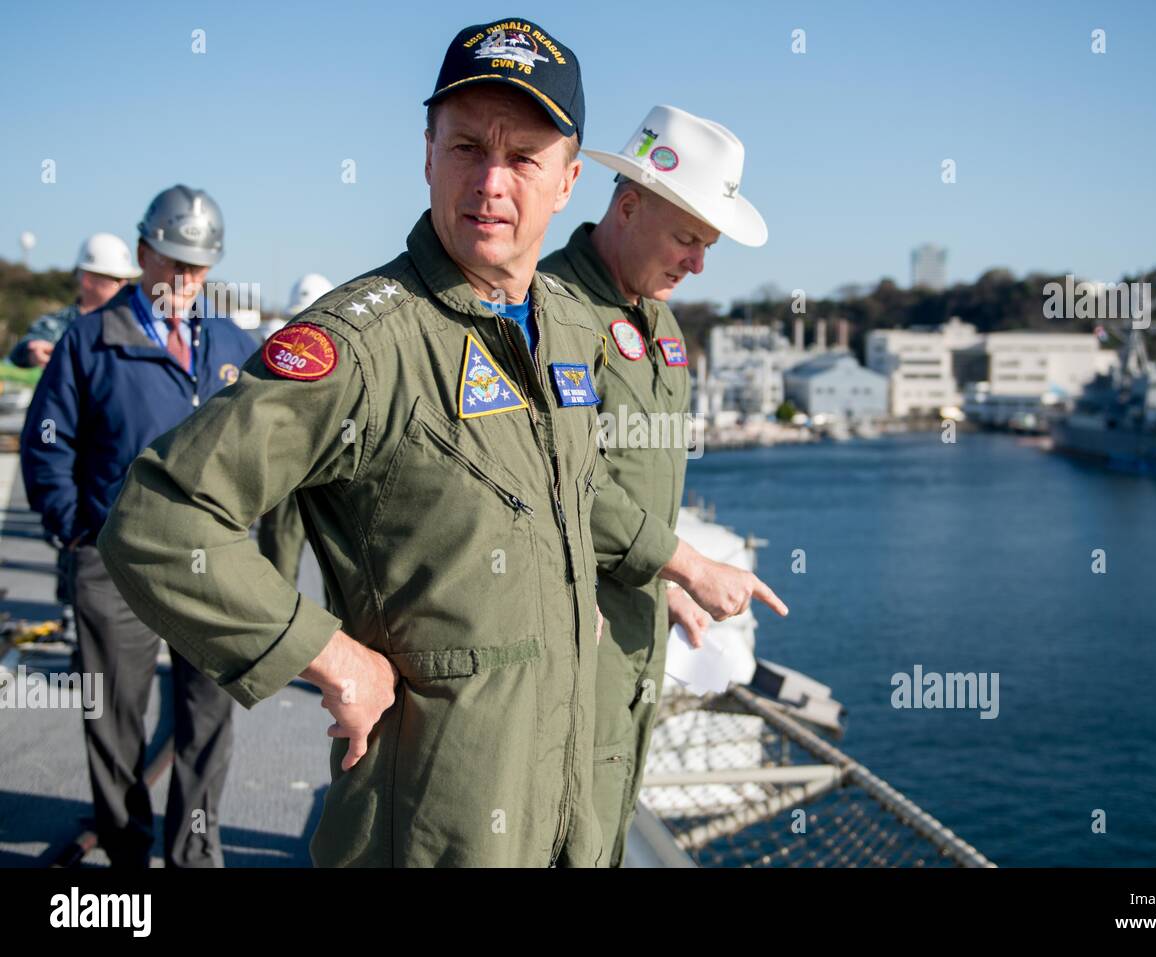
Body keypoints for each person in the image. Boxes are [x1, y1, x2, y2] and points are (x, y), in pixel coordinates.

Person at [97, 18, 783, 867]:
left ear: (569, 180)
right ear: (427, 154)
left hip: (562, 808)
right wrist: (331, 657)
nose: (491, 183)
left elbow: (565, 512)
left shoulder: (570, 331)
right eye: (466, 147)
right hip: (432, 827)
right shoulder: (364, 345)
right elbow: (160, 520)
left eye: (524, 157)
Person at [540, 103, 768, 866]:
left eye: (707, 245)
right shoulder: (551, 314)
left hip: (634, 640)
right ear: (627, 205)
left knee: (603, 834)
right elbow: (562, 477)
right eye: (686, 239)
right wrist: (690, 566)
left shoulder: (664, 327)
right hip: (560, 646)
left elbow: (637, 480)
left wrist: (658, 584)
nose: (698, 264)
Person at [21, 185, 257, 867]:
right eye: (173, 263)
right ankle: (126, 851)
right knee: (114, 718)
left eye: (198, 268)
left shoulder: (232, 345)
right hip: (113, 559)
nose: (184, 281)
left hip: (214, 564)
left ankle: (194, 852)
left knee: (208, 718)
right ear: (143, 253)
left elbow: (266, 445)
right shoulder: (90, 342)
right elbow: (47, 441)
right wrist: (76, 530)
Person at [257, 273, 335, 586]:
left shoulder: (344, 351)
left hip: (326, 473)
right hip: (287, 478)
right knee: (279, 571)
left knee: (339, 579)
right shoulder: (277, 352)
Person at [8, 233, 140, 368]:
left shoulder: (136, 323)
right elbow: (21, 352)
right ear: (88, 279)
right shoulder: (59, 324)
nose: (124, 286)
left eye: (127, 280)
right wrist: (32, 352)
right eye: (117, 279)